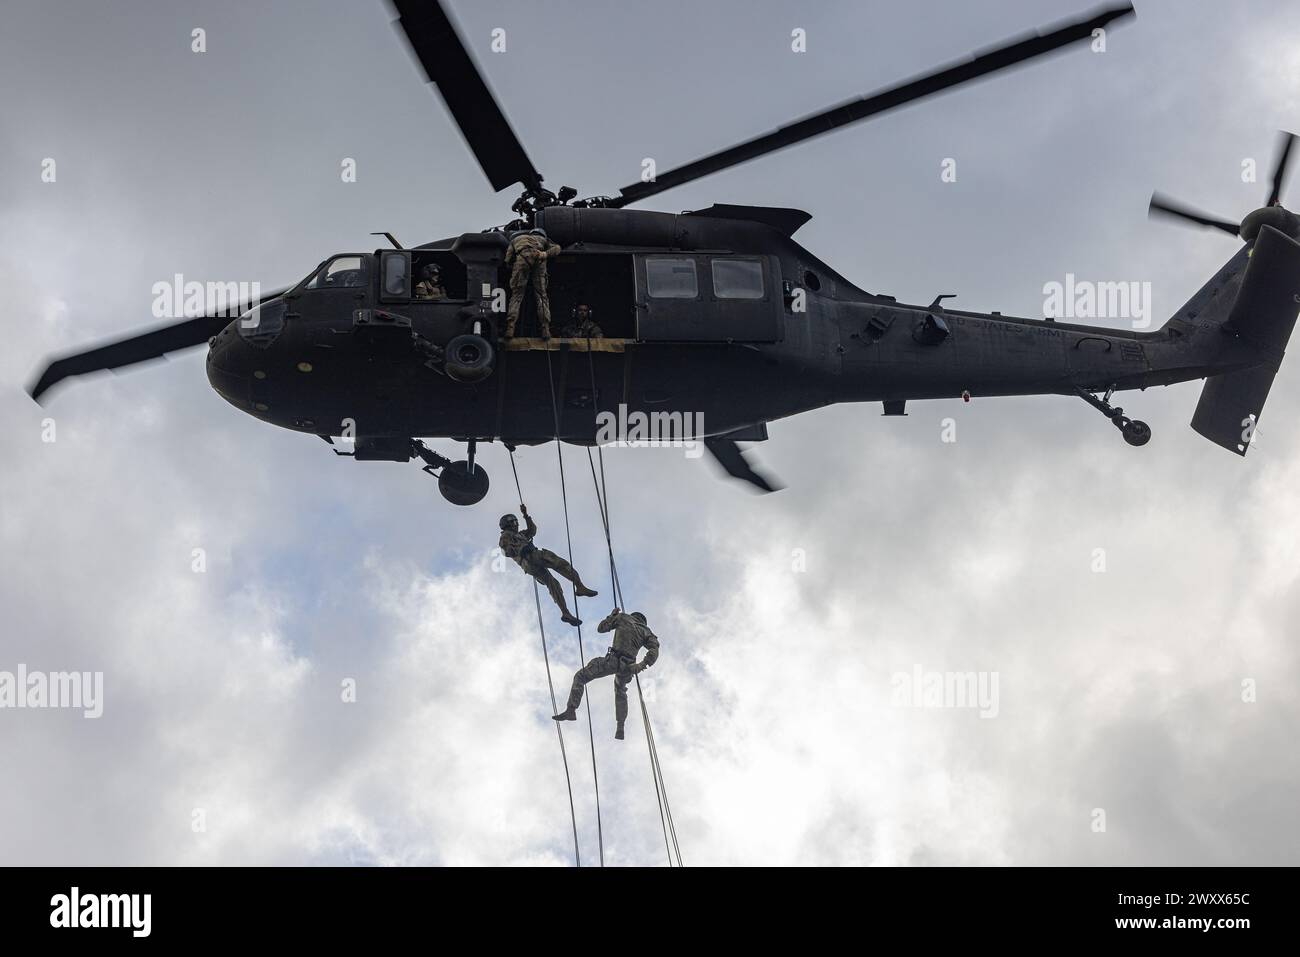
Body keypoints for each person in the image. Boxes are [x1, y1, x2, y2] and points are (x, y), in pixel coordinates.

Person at [553, 608, 659, 740]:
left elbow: (601, 628)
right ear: (644, 622)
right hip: (628, 667)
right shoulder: (647, 632)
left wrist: (612, 615)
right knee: (620, 691)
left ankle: (571, 709)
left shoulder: (623, 617)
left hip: (613, 660)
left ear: (633, 616)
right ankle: (620, 726)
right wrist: (642, 665)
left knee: (580, 676)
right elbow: (654, 650)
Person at [499, 505, 597, 626]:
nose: (517, 524)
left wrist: (526, 516)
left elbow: (532, 531)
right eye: (514, 522)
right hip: (530, 557)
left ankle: (565, 613)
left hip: (529, 565)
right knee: (559, 563)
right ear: (509, 524)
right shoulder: (506, 536)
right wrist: (522, 550)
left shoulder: (520, 534)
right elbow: (506, 550)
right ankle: (580, 587)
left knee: (553, 584)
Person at [504, 228, 562, 338]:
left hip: (522, 259)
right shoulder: (543, 239)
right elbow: (557, 248)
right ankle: (545, 329)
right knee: (541, 296)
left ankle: (510, 328)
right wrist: (544, 254)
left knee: (516, 296)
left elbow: (507, 260)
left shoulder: (516, 239)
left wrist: (516, 268)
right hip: (539, 258)